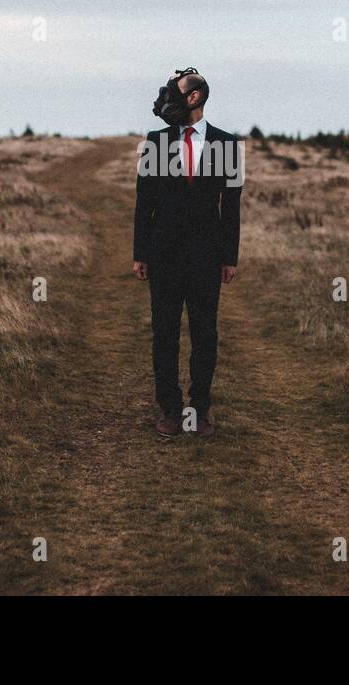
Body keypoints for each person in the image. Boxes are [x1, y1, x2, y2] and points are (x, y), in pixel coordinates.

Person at [133, 68, 242, 440]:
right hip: (163, 255)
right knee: (164, 334)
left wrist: (229, 257)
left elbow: (232, 206)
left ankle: (199, 409)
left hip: (206, 257)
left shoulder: (227, 145)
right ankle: (169, 409)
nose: (167, 99)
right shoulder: (154, 141)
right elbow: (143, 201)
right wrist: (140, 252)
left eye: (174, 92)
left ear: (194, 97)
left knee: (204, 334)